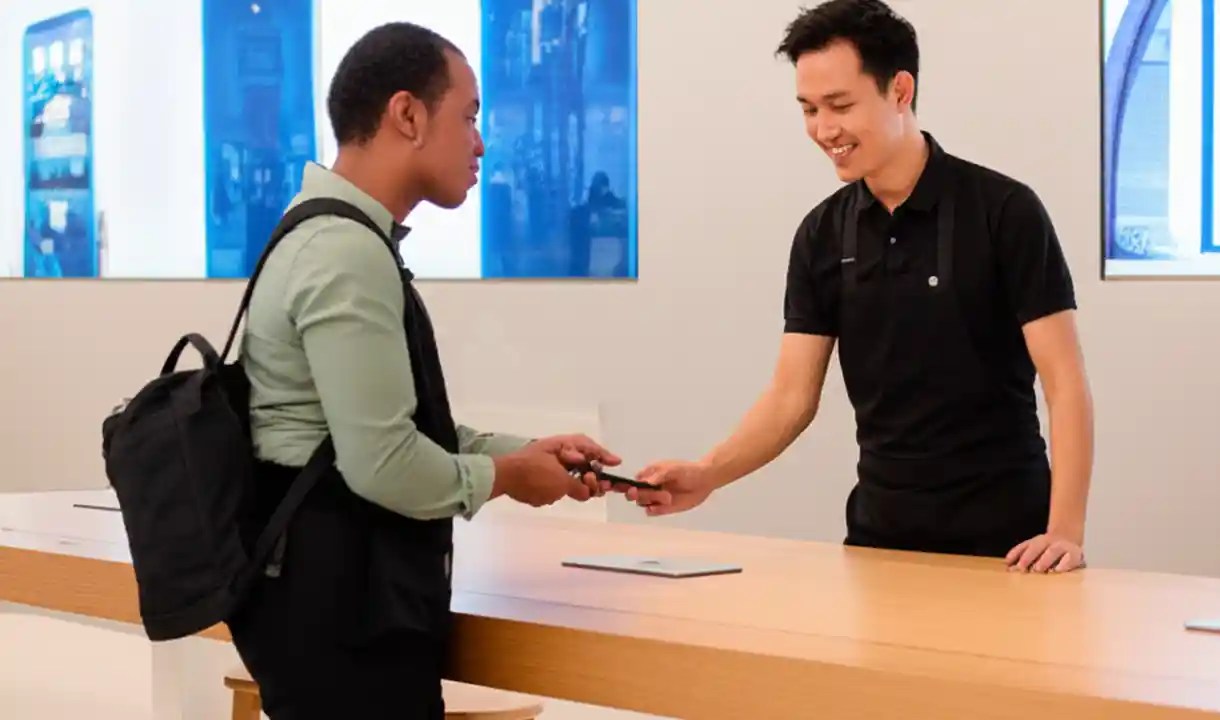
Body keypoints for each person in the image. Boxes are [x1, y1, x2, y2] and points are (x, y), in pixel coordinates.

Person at [227, 23, 619, 719]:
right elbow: (383, 463)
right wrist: (509, 477)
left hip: (331, 609)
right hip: (343, 619)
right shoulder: (344, 252)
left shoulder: (329, 235)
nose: (480, 142)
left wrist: (522, 453)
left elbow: (387, 427)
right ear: (407, 114)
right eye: (468, 116)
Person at [625, 0, 1094, 574]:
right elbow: (791, 397)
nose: (824, 130)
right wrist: (707, 472)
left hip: (1009, 546)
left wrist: (1065, 532)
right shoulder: (821, 234)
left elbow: (1064, 385)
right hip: (879, 541)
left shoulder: (1005, 211)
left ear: (900, 90)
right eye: (808, 109)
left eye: (841, 105)